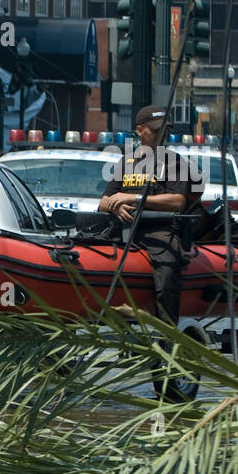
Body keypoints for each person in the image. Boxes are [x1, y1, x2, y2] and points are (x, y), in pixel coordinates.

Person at [97, 103, 197, 323]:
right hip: (122, 228)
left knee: (168, 270)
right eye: (156, 130)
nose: (162, 135)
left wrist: (134, 198)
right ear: (140, 130)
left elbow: (177, 201)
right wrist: (116, 206)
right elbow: (103, 202)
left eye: (165, 130)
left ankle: (167, 333)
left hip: (157, 230)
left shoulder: (175, 163)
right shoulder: (127, 162)